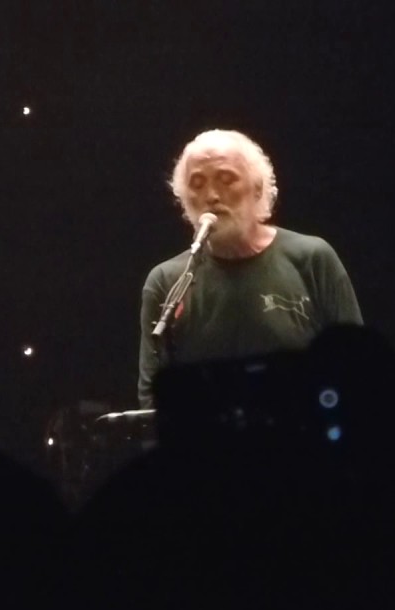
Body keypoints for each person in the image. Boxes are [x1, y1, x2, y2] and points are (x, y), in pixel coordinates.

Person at [137, 129, 364, 408]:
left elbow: (357, 370)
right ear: (184, 200)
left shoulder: (312, 258)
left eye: (226, 179)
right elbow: (152, 401)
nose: (211, 195)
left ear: (258, 189)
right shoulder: (166, 281)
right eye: (197, 183)